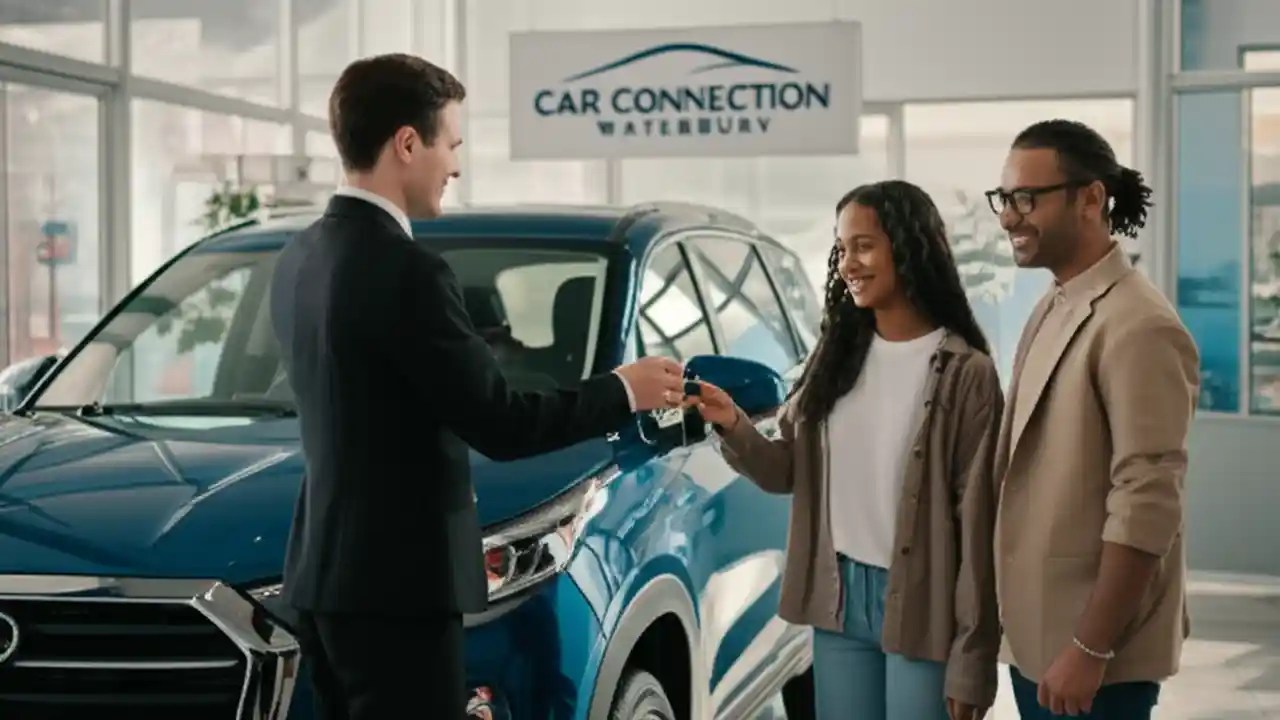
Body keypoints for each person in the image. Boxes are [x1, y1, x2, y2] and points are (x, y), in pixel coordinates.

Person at [268, 54, 690, 720]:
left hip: (320, 579)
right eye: (452, 143)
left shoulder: (297, 258)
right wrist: (623, 389)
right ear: (408, 144)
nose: (456, 165)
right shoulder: (408, 271)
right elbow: (502, 423)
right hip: (399, 594)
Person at [695, 180, 1004, 720]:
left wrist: (974, 657)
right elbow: (787, 472)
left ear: (911, 247)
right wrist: (735, 427)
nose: (848, 264)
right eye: (842, 248)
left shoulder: (965, 373)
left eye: (864, 245)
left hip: (924, 606)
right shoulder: (833, 358)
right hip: (837, 599)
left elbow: (979, 527)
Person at [986, 119, 1200, 719]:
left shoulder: (1139, 325)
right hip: (1041, 638)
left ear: (1090, 199)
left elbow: (1149, 500)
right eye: (1004, 198)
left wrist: (1089, 645)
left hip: (1094, 653)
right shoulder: (1055, 302)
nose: (1008, 216)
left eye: (1027, 198)